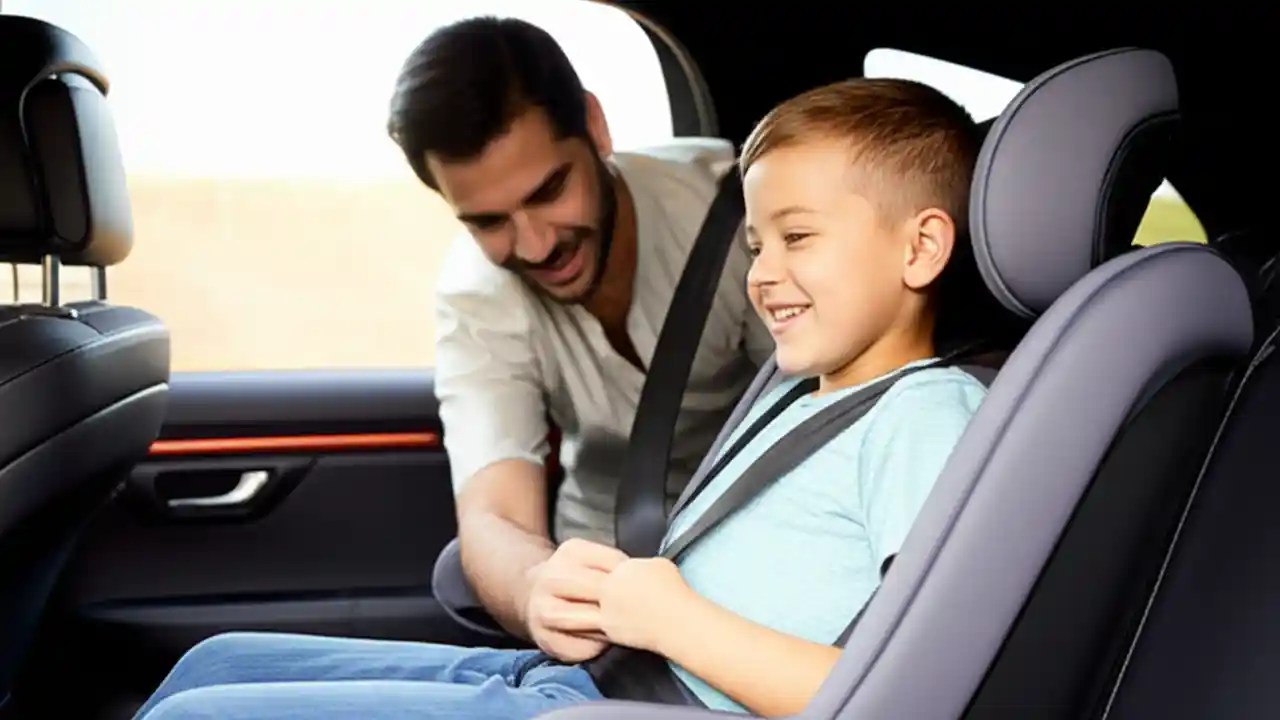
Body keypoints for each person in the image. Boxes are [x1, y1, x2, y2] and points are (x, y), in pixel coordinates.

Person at [130, 75, 989, 720]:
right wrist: (566, 588)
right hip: (593, 667)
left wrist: (672, 618)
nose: (761, 274)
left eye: (796, 238)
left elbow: (906, 689)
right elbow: (495, 513)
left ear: (920, 250)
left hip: (648, 691)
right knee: (216, 664)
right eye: (758, 242)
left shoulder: (926, 415)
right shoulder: (803, 391)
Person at [390, 15, 774, 655]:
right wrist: (539, 590)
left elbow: (829, 413)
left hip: (757, 563)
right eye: (488, 222)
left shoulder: (736, 215)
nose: (535, 244)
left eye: (550, 190)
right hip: (599, 589)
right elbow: (494, 515)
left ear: (595, 128)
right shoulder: (475, 291)